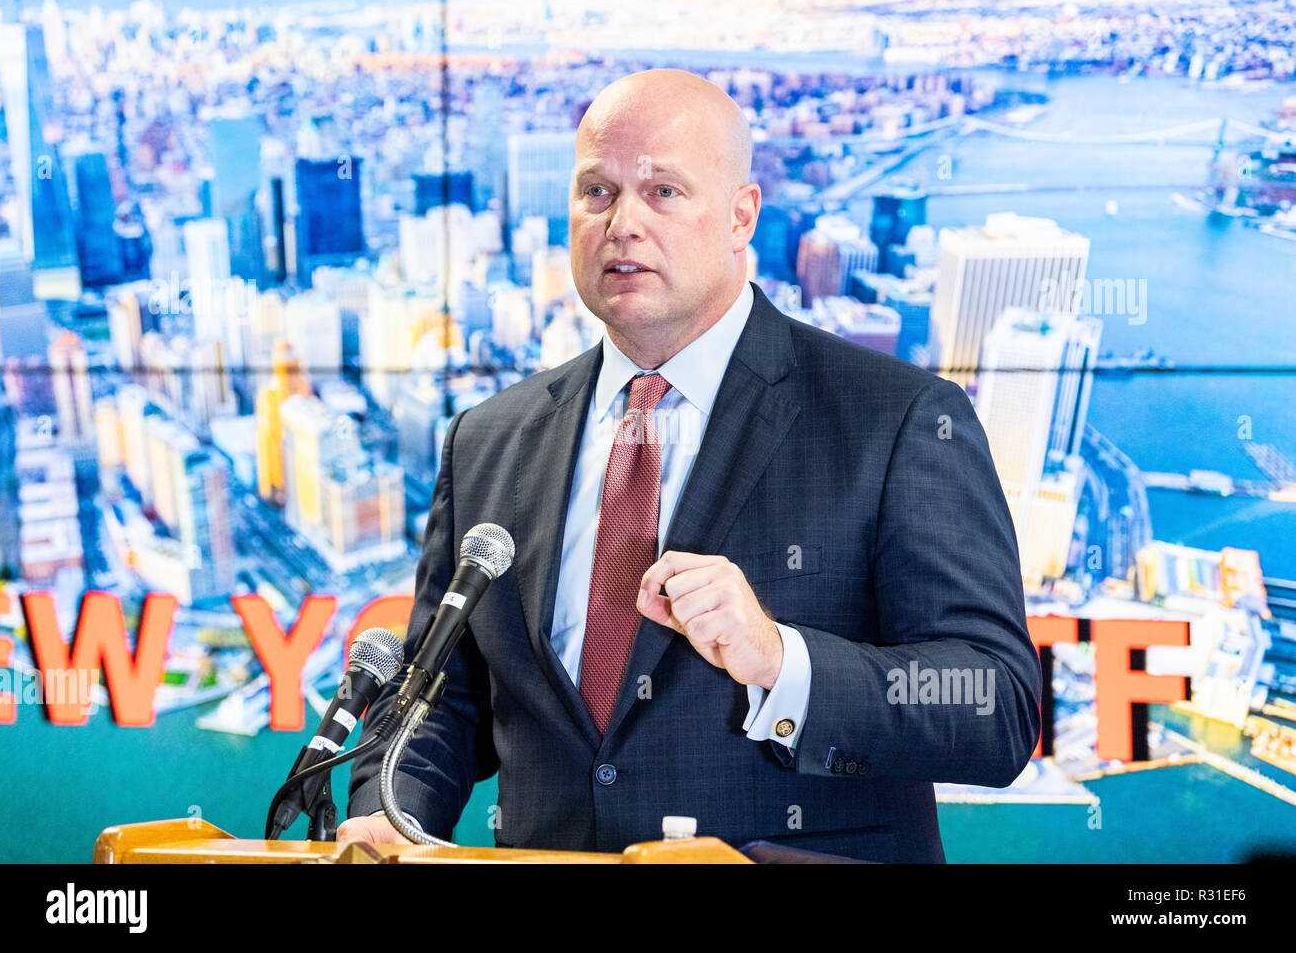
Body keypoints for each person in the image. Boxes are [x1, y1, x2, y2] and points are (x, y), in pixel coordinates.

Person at [339, 69, 1041, 862]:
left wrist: (781, 661)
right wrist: (386, 815)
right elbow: (439, 700)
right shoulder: (487, 441)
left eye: (663, 192)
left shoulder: (898, 418)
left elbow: (994, 706)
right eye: (596, 192)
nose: (623, 224)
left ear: (742, 217)